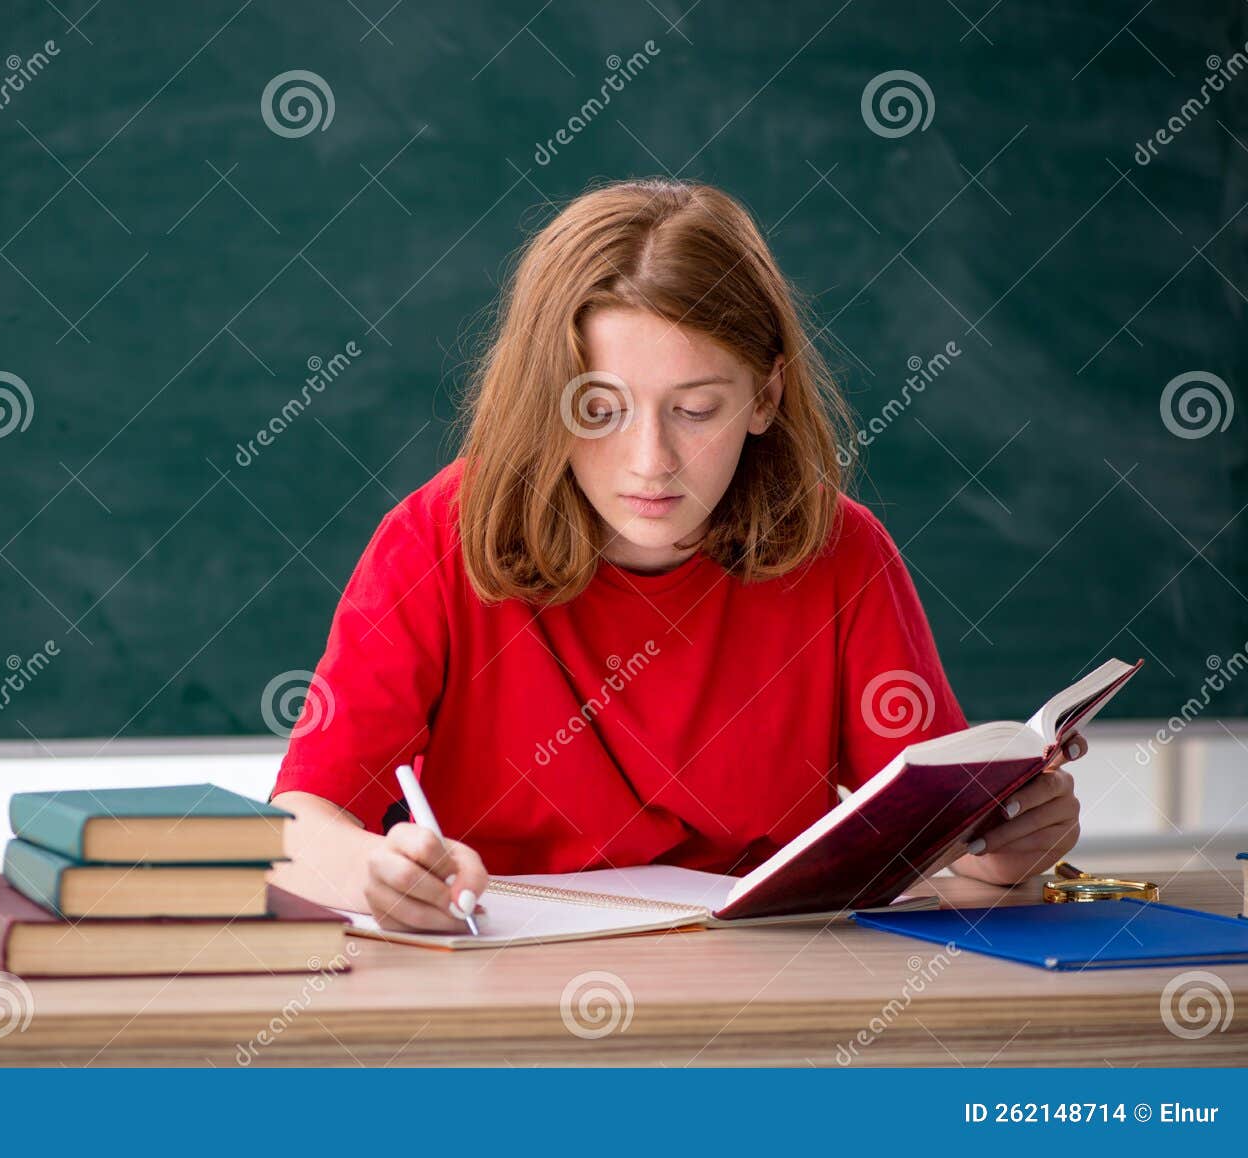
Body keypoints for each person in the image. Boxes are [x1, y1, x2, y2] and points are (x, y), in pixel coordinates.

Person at [269, 178, 1085, 932]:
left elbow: (947, 848)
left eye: (695, 410)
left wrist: (1006, 851)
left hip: (763, 994)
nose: (650, 461)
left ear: (765, 397)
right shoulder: (437, 537)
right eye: (600, 410)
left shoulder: (841, 552)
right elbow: (296, 829)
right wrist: (379, 875)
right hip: (504, 985)